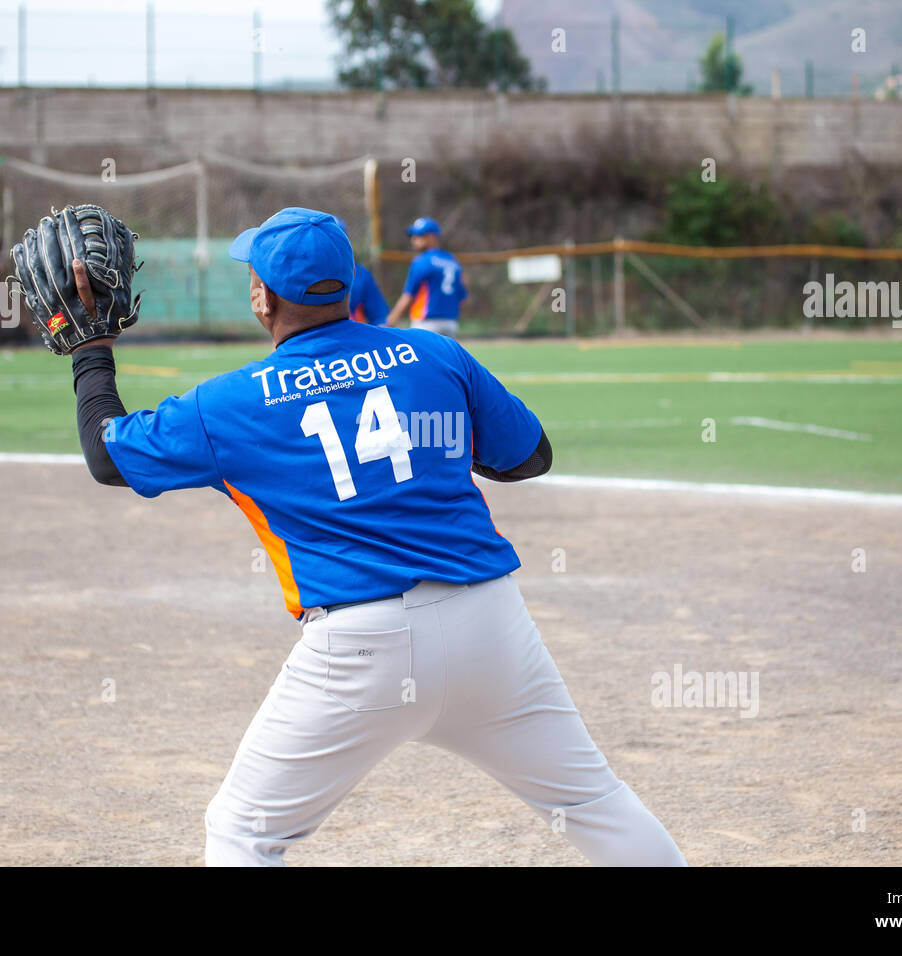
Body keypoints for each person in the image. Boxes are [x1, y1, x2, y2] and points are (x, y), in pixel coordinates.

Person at [68, 206, 685, 867]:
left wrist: (90, 348)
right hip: (490, 630)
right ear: (350, 280)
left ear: (262, 297)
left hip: (358, 652)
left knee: (243, 832)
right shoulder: (434, 353)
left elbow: (109, 458)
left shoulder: (228, 403)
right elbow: (530, 457)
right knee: (593, 805)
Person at [385, 216, 468, 336]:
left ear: (432, 237)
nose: (414, 239)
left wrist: (390, 321)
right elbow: (463, 298)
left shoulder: (421, 261)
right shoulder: (452, 261)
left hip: (426, 324)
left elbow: (408, 296)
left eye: (419, 236)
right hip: (450, 324)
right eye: (413, 236)